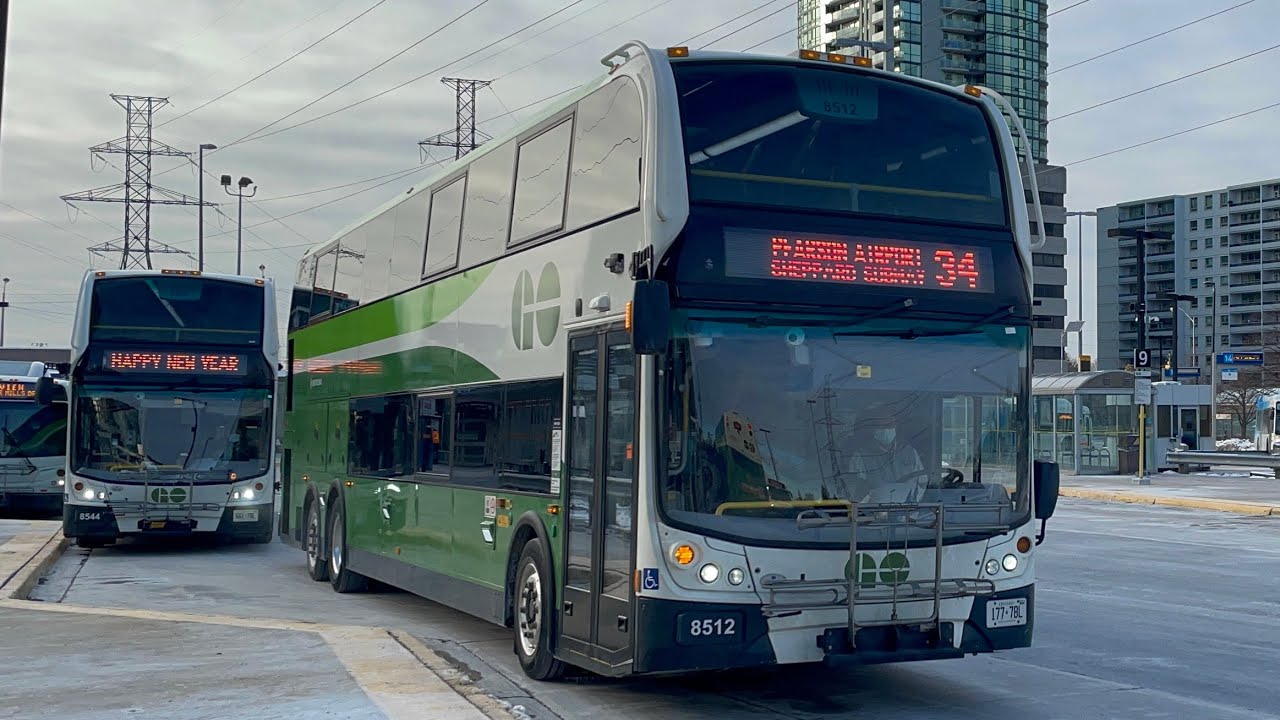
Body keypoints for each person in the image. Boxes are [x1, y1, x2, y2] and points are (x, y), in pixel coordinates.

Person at [842, 403, 927, 505]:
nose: (887, 429)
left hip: (909, 510)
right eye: (883, 426)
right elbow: (857, 494)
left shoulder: (910, 452)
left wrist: (913, 505)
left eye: (890, 425)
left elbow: (922, 483)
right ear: (874, 429)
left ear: (896, 426)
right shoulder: (860, 457)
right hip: (874, 511)